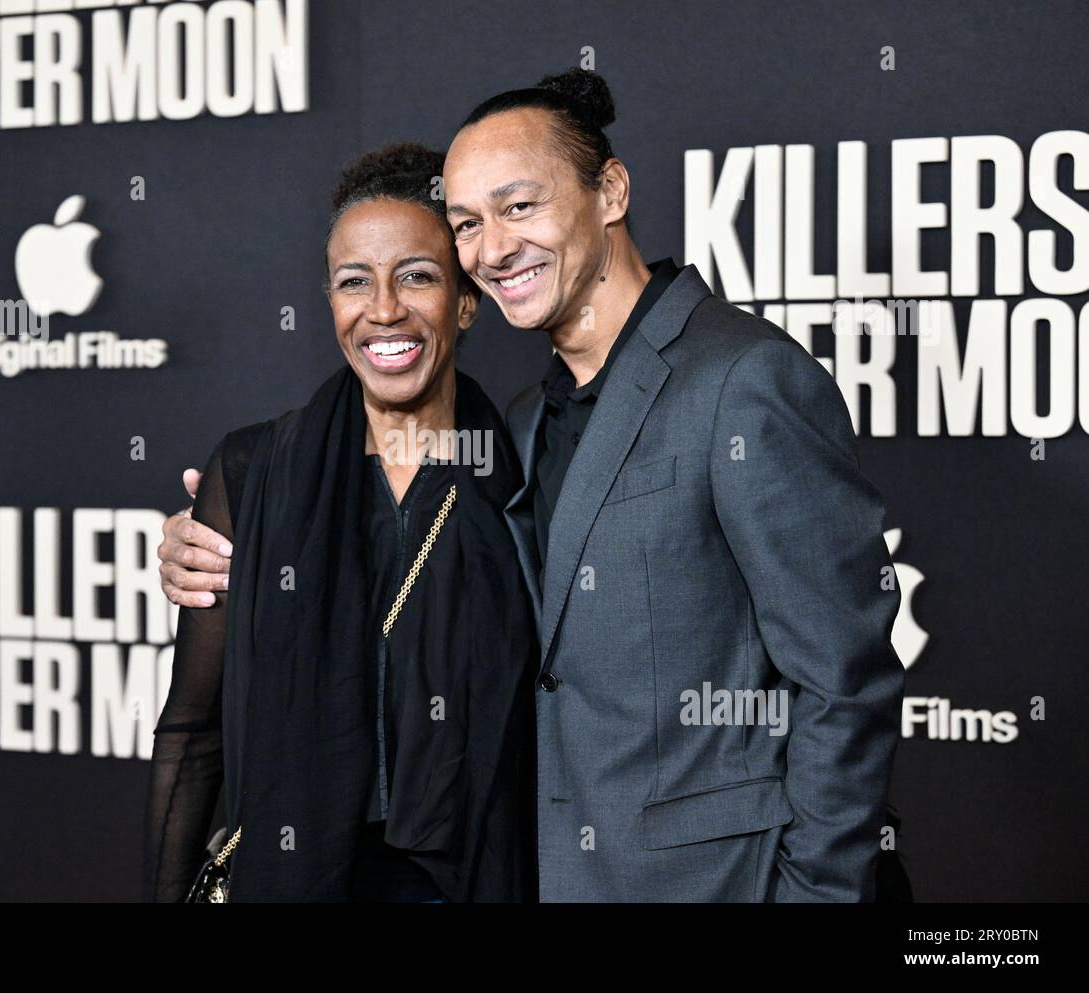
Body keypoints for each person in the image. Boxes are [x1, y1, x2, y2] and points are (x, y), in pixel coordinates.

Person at [160, 70, 905, 903]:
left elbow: (845, 681)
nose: (493, 247)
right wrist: (219, 544)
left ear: (611, 190)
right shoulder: (517, 429)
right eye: (469, 224)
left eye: (520, 207)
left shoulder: (744, 378)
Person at [143, 144, 538, 903]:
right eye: (355, 281)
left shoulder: (526, 468)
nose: (383, 309)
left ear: (466, 299)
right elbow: (192, 733)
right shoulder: (252, 473)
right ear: (330, 301)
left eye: (417, 275)